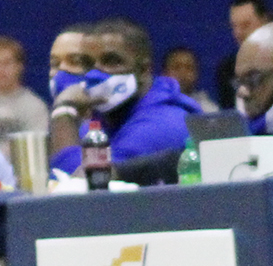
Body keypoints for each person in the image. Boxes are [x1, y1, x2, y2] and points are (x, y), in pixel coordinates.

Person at [50, 17, 199, 174]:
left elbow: (87, 180)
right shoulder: (101, 120)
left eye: (111, 61)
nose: (95, 74)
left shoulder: (166, 122)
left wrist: (64, 111)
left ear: (143, 70)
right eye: (87, 63)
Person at [214, 0, 271, 109]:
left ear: (264, 22)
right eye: (234, 26)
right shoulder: (227, 69)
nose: (238, 33)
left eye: (246, 25)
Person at [159, 46, 219, 113]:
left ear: (196, 74)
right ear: (164, 73)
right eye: (176, 67)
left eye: (189, 67)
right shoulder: (152, 105)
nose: (182, 73)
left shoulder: (208, 109)